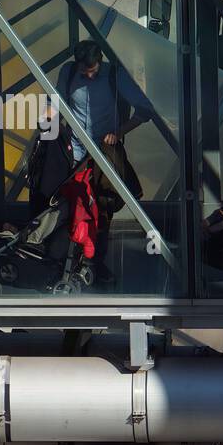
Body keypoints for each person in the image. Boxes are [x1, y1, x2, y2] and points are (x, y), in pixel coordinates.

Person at [55, 40, 154, 284]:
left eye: (92, 70)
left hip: (104, 155)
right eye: (84, 71)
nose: (88, 75)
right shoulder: (67, 73)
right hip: (74, 153)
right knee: (74, 208)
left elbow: (145, 109)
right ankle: (69, 262)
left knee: (101, 208)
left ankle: (96, 264)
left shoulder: (114, 75)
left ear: (100, 62)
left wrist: (119, 132)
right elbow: (55, 104)